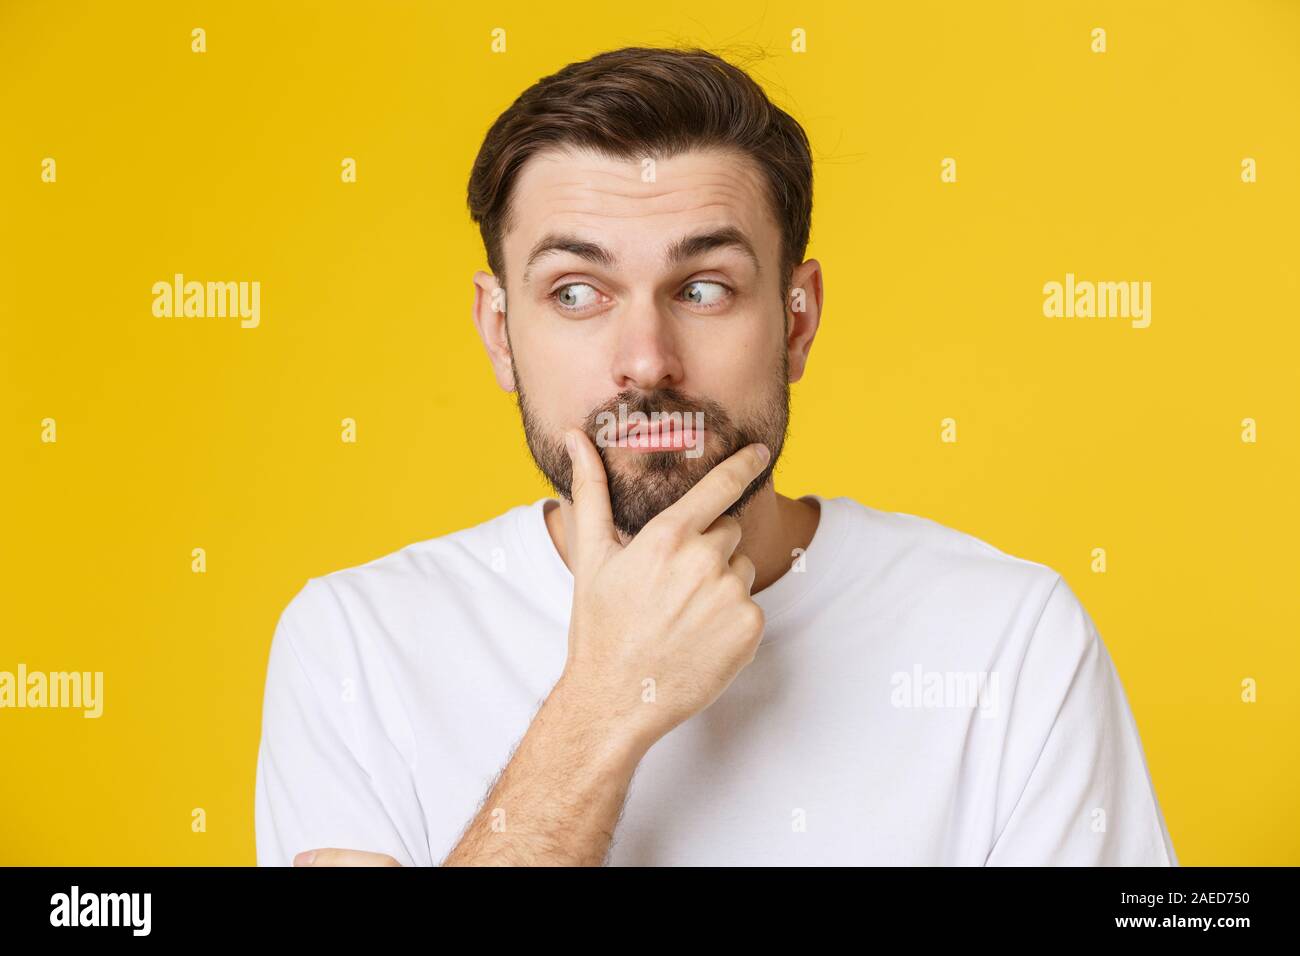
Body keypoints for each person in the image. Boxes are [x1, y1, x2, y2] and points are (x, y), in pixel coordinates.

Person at [254, 46, 1177, 866]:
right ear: (501, 332)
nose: (647, 359)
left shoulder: (1011, 642)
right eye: (577, 292)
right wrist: (604, 704)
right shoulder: (354, 645)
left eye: (702, 288)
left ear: (796, 320)